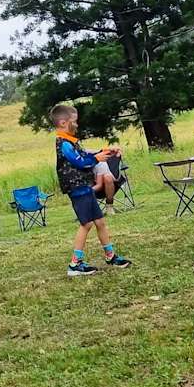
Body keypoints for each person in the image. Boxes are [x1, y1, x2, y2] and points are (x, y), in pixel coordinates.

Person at [50, 104, 131, 276]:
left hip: (85, 187)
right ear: (64, 123)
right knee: (86, 224)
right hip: (77, 188)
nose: (77, 125)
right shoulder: (63, 143)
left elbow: (86, 156)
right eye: (75, 121)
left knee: (100, 222)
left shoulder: (71, 142)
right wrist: (97, 157)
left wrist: (105, 152)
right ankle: (75, 264)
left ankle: (110, 256)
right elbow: (80, 161)